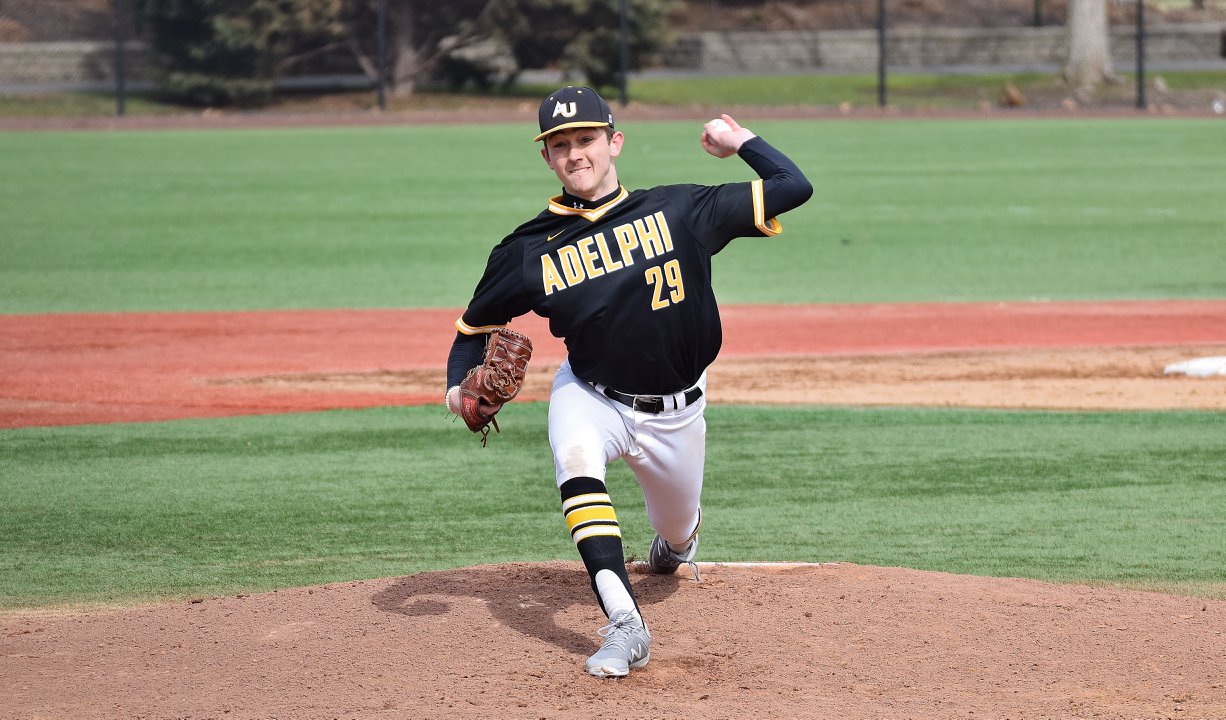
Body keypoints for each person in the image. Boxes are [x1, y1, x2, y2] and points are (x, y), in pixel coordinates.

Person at [445, 86, 812, 678]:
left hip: (677, 413)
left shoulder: (679, 211)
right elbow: (472, 329)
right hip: (590, 394)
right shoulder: (525, 252)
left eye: (586, 140)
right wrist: (456, 389)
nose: (575, 155)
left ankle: (674, 546)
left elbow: (794, 186)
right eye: (560, 145)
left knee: (676, 527)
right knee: (574, 460)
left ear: (614, 142)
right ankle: (624, 622)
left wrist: (739, 140)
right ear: (547, 158)